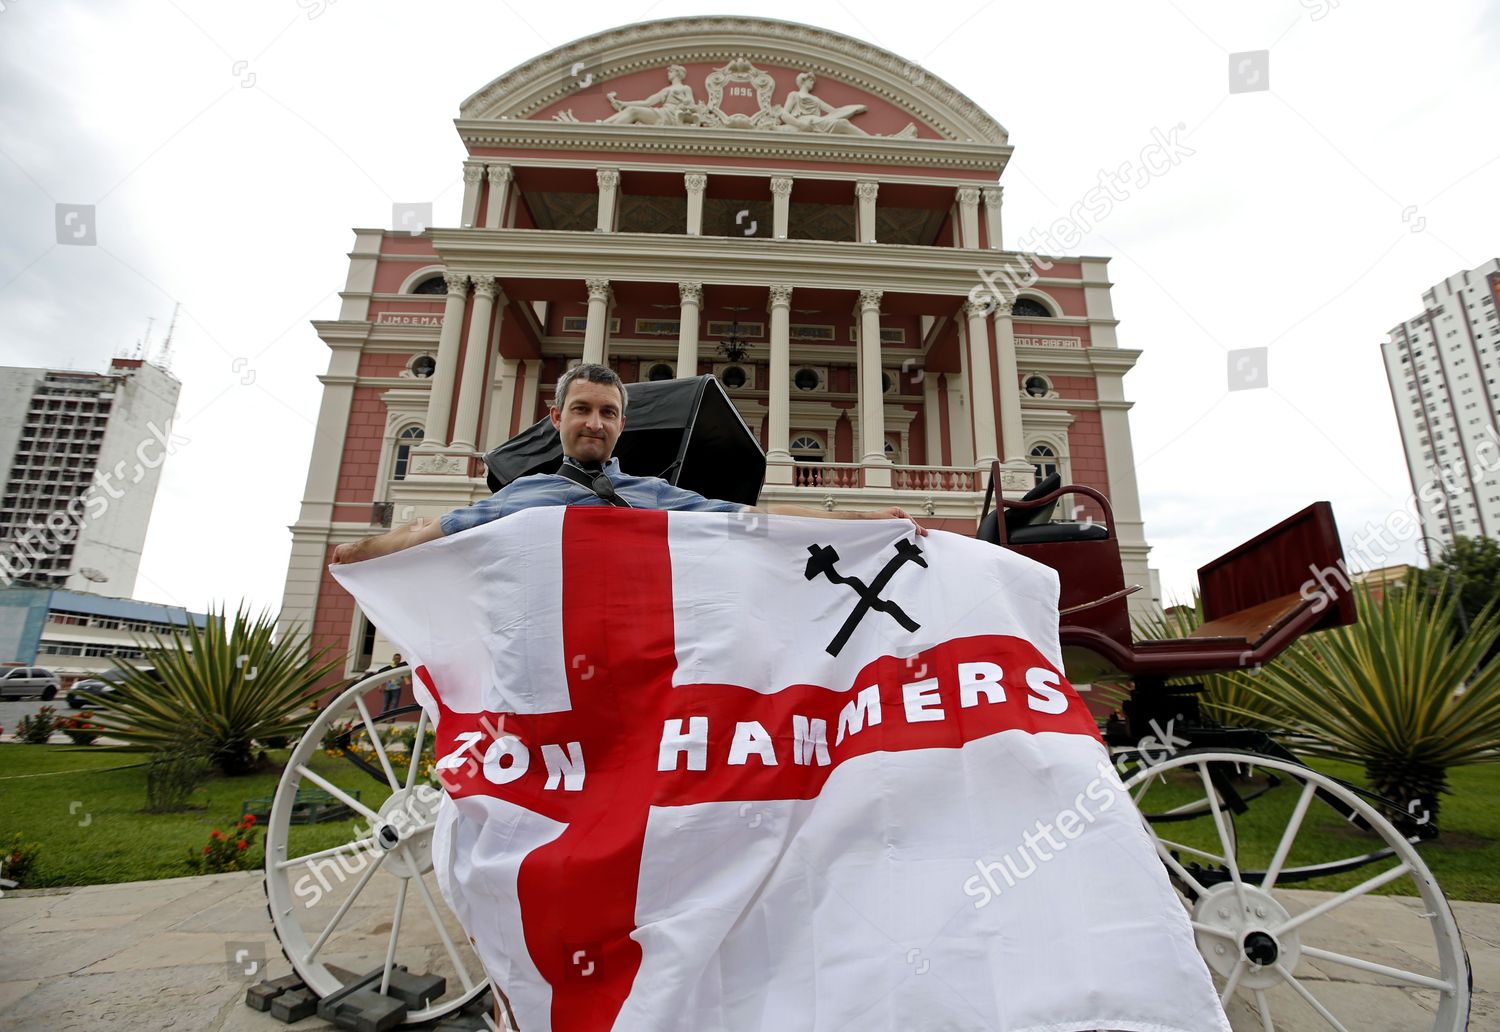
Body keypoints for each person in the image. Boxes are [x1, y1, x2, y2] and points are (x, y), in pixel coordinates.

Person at [332, 363, 924, 566]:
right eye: (582, 409)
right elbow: (429, 529)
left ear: (621, 424)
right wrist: (357, 551)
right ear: (557, 417)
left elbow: (757, 518)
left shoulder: (655, 494)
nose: (594, 422)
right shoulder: (523, 495)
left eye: (608, 412)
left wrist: (865, 518)